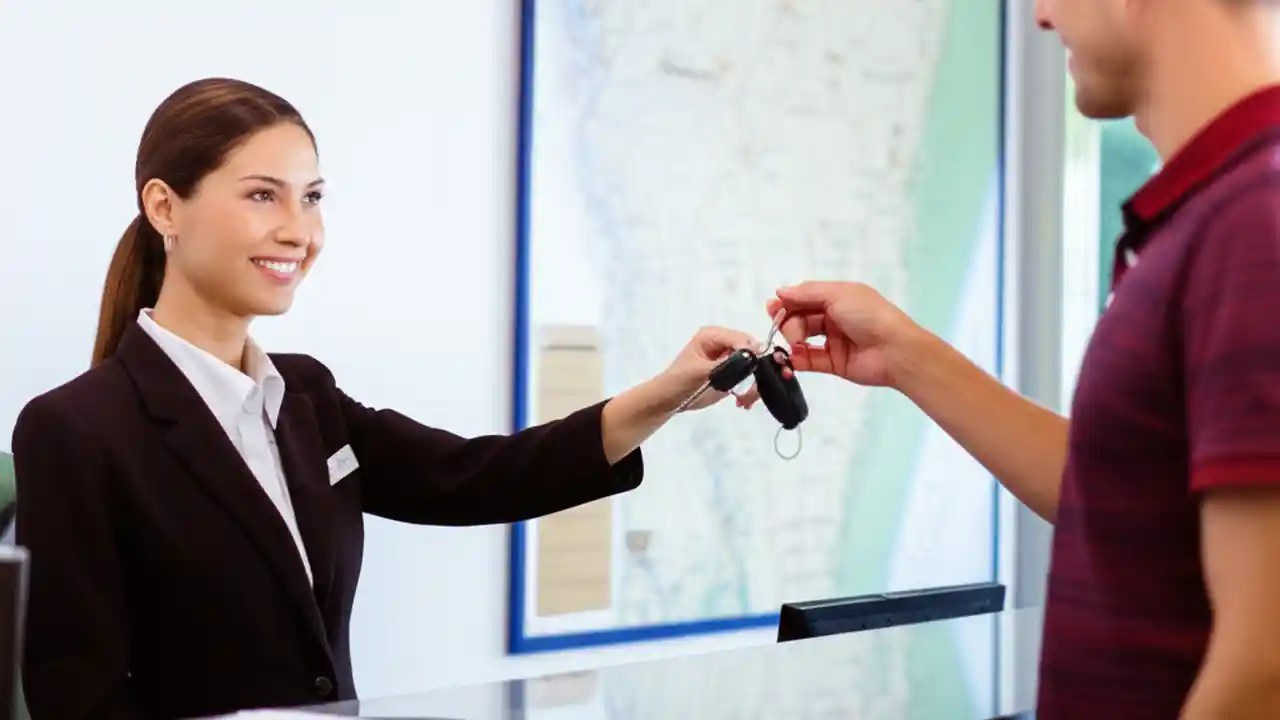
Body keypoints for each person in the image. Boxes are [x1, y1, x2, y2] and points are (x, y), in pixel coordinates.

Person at [9, 77, 760, 720]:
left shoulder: (306, 395)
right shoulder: (73, 431)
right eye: (263, 195)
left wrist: (663, 395)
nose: (298, 231)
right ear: (165, 208)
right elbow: (78, 701)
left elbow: (477, 476)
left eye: (312, 197)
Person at [766, 1, 1280, 717]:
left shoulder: (1254, 224)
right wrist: (904, 356)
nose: (1041, 16)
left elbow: (1266, 665)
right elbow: (1116, 491)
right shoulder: (1214, 217)